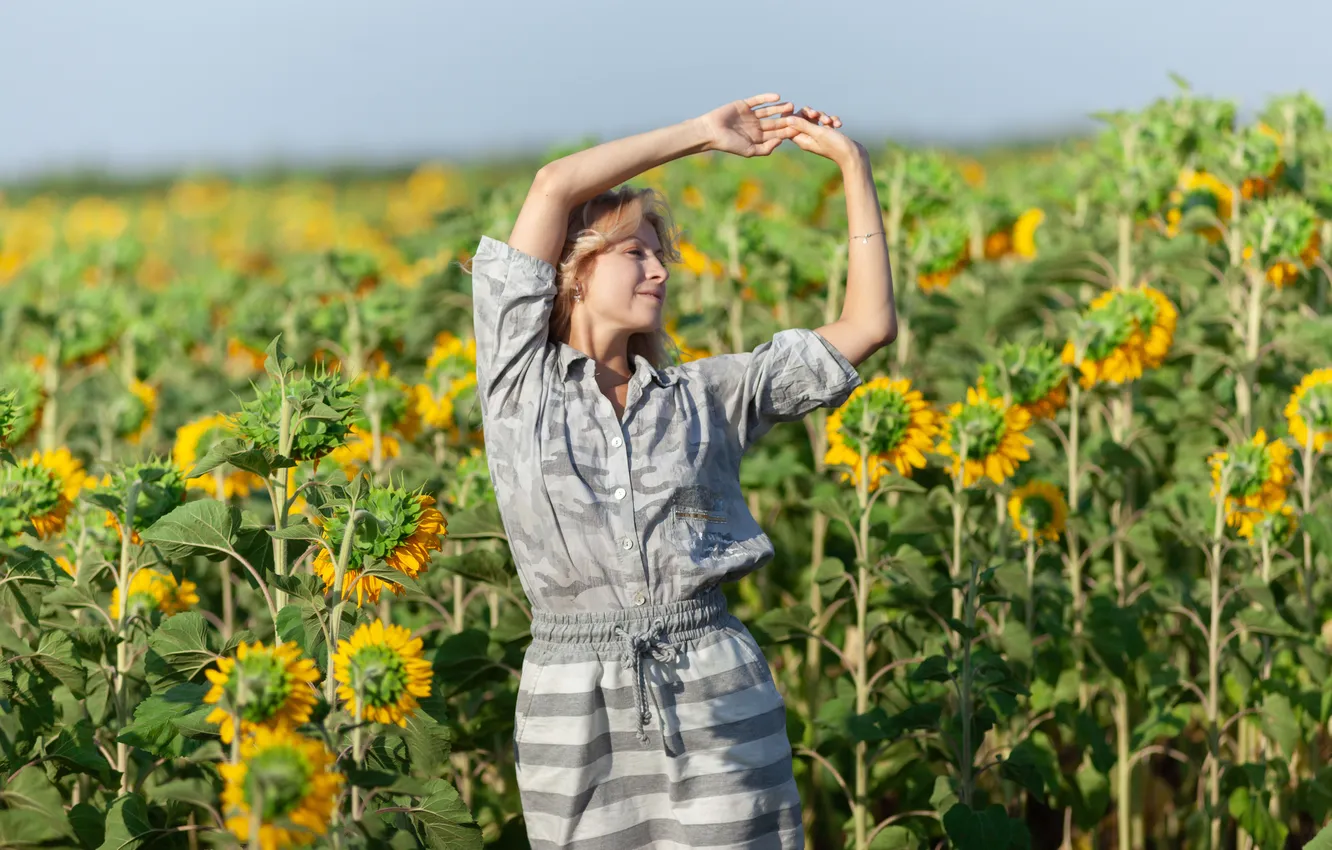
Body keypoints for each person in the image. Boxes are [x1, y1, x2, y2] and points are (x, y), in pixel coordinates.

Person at [468, 92, 897, 850]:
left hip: (713, 689)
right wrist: (703, 135)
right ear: (573, 268)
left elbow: (867, 327)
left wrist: (853, 169)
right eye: (636, 251)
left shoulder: (709, 395)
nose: (661, 271)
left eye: (660, 254)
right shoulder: (517, 386)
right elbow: (552, 186)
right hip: (573, 708)